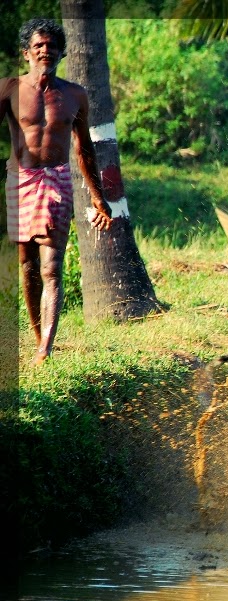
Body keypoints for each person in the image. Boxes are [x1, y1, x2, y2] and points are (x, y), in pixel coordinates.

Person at [2, 17, 113, 366]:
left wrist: (98, 197)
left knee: (52, 267)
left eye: (51, 46)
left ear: (62, 52)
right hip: (19, 179)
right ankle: (39, 338)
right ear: (27, 53)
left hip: (57, 180)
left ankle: (44, 350)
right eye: (39, 46)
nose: (45, 51)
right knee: (28, 266)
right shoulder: (9, 89)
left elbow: (84, 150)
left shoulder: (74, 95)